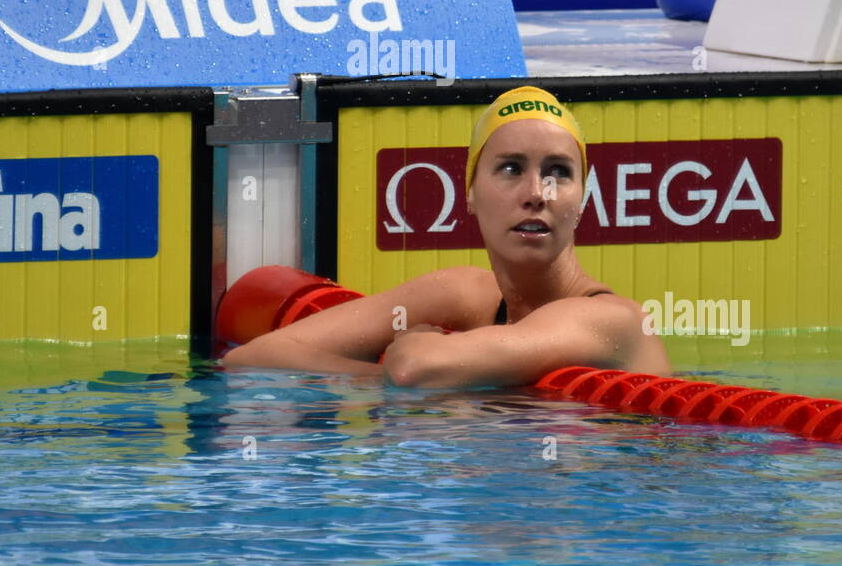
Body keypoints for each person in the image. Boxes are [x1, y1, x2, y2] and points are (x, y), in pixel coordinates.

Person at [221, 86, 671, 388]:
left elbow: (419, 367)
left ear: (583, 198)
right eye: (511, 169)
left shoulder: (612, 321)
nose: (537, 194)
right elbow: (250, 358)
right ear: (471, 193)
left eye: (558, 172)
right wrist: (386, 379)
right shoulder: (468, 296)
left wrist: (417, 358)